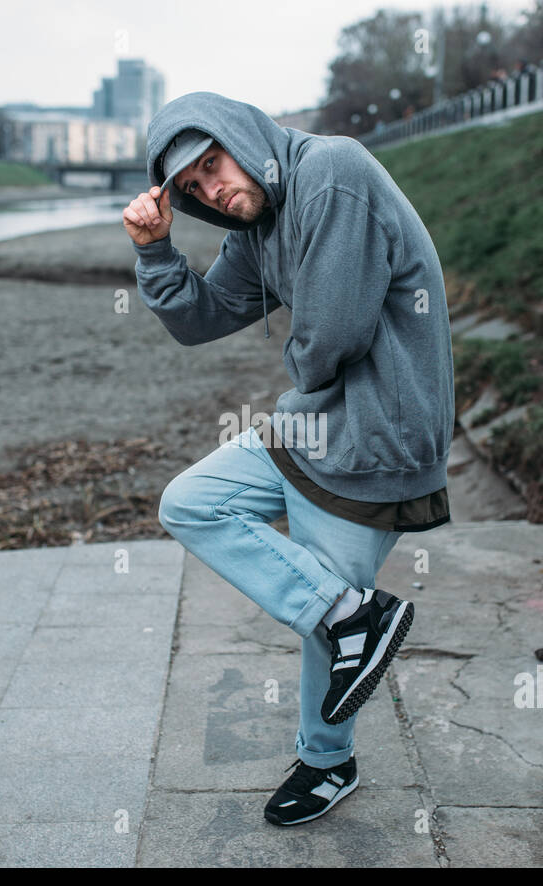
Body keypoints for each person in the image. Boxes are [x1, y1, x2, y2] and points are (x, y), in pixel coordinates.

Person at [122, 91, 454, 825]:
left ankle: (328, 761)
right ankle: (349, 615)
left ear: (243, 136)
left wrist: (293, 394)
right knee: (192, 502)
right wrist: (155, 251)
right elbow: (201, 318)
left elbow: (334, 332)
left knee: (328, 611)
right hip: (315, 426)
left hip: (377, 433)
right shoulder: (258, 222)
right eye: (194, 188)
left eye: (213, 165)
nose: (214, 190)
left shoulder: (334, 172)